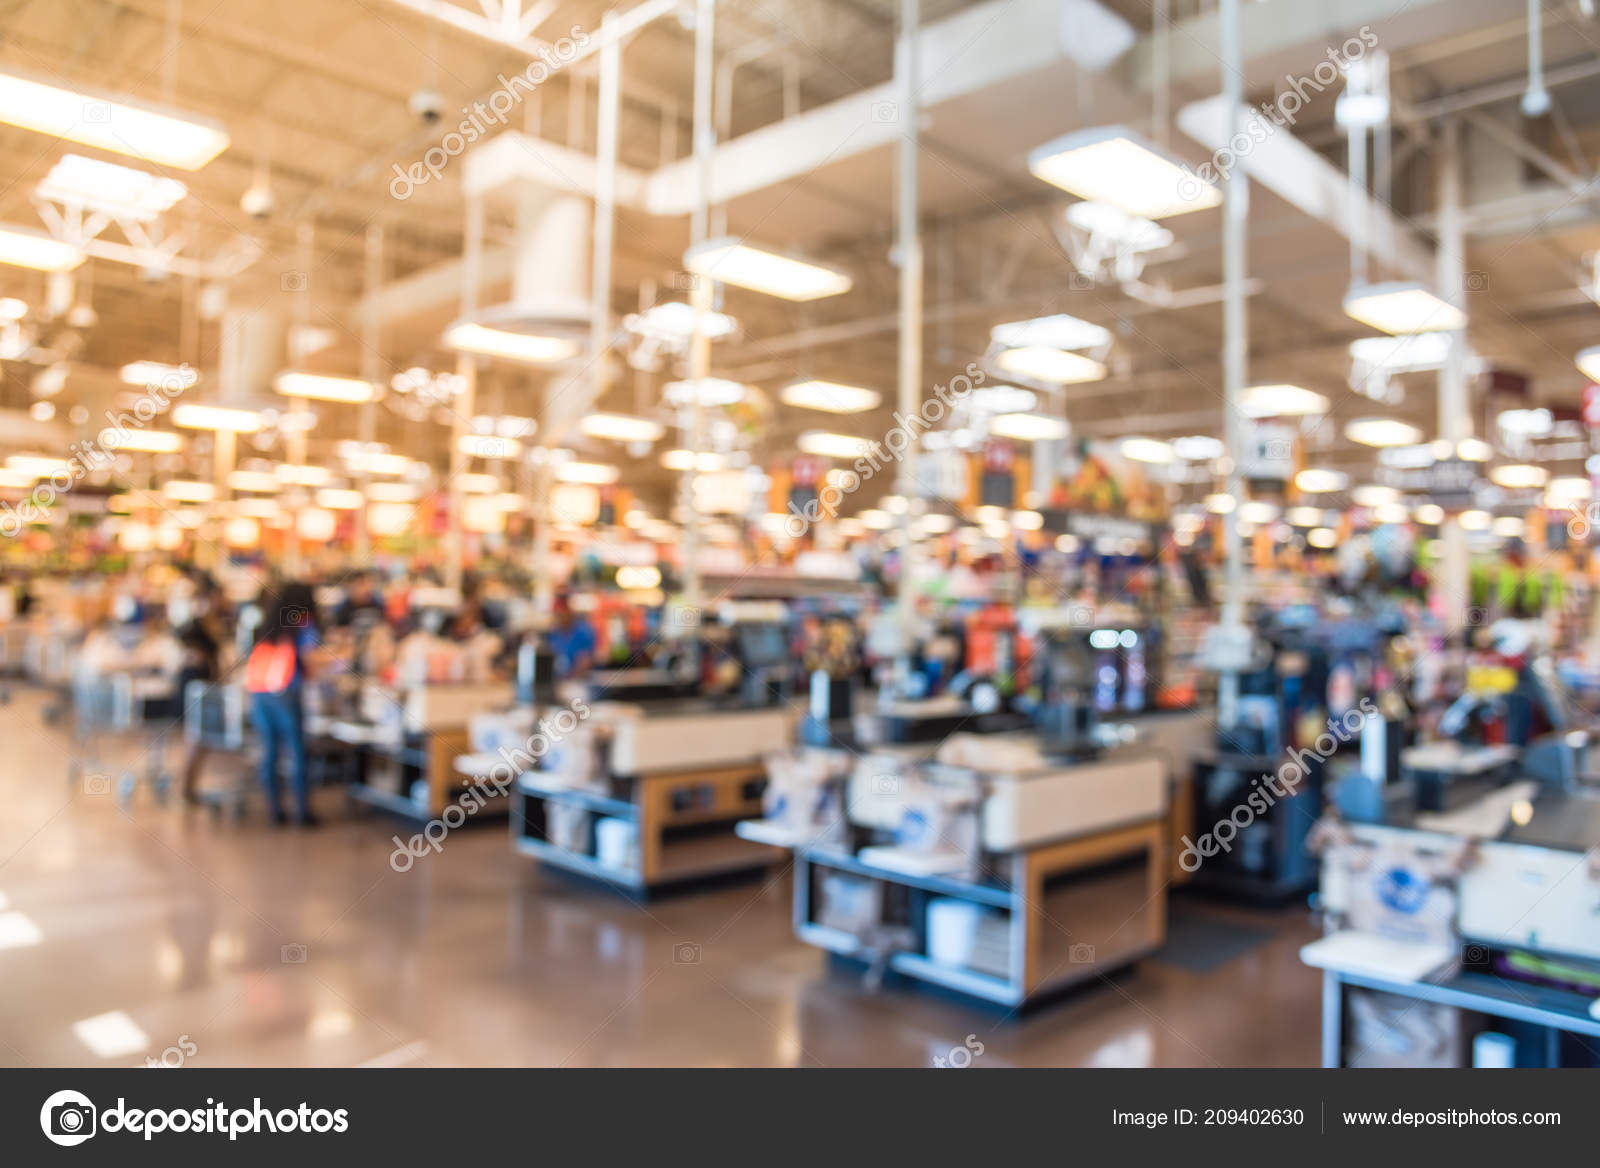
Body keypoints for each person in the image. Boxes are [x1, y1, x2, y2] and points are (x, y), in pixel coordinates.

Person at [245, 581, 322, 826]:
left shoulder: (268, 623)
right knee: (297, 752)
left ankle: (275, 810)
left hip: (260, 692)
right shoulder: (303, 623)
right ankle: (302, 811)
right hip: (287, 693)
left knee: (269, 753)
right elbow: (312, 658)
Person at [545, 591, 596, 680]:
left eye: (562, 614)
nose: (559, 617)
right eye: (557, 614)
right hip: (558, 683)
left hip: (579, 682)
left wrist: (570, 679)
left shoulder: (583, 631)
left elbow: (584, 661)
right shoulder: (553, 633)